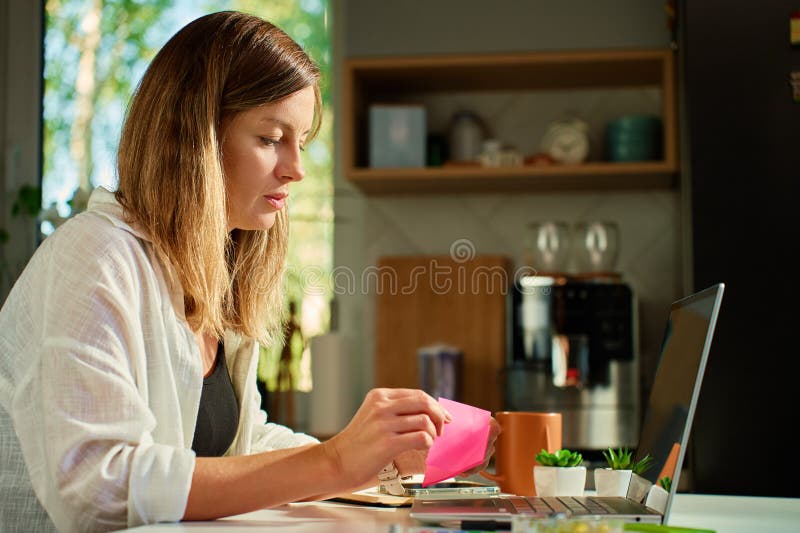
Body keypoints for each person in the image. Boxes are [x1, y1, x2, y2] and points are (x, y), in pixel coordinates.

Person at [0, 11, 499, 532]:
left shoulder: (219, 272)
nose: (296, 168)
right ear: (192, 139)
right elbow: (98, 487)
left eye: (300, 141)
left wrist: (377, 460)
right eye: (269, 138)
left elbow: (244, 445)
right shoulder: (94, 255)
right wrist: (334, 462)